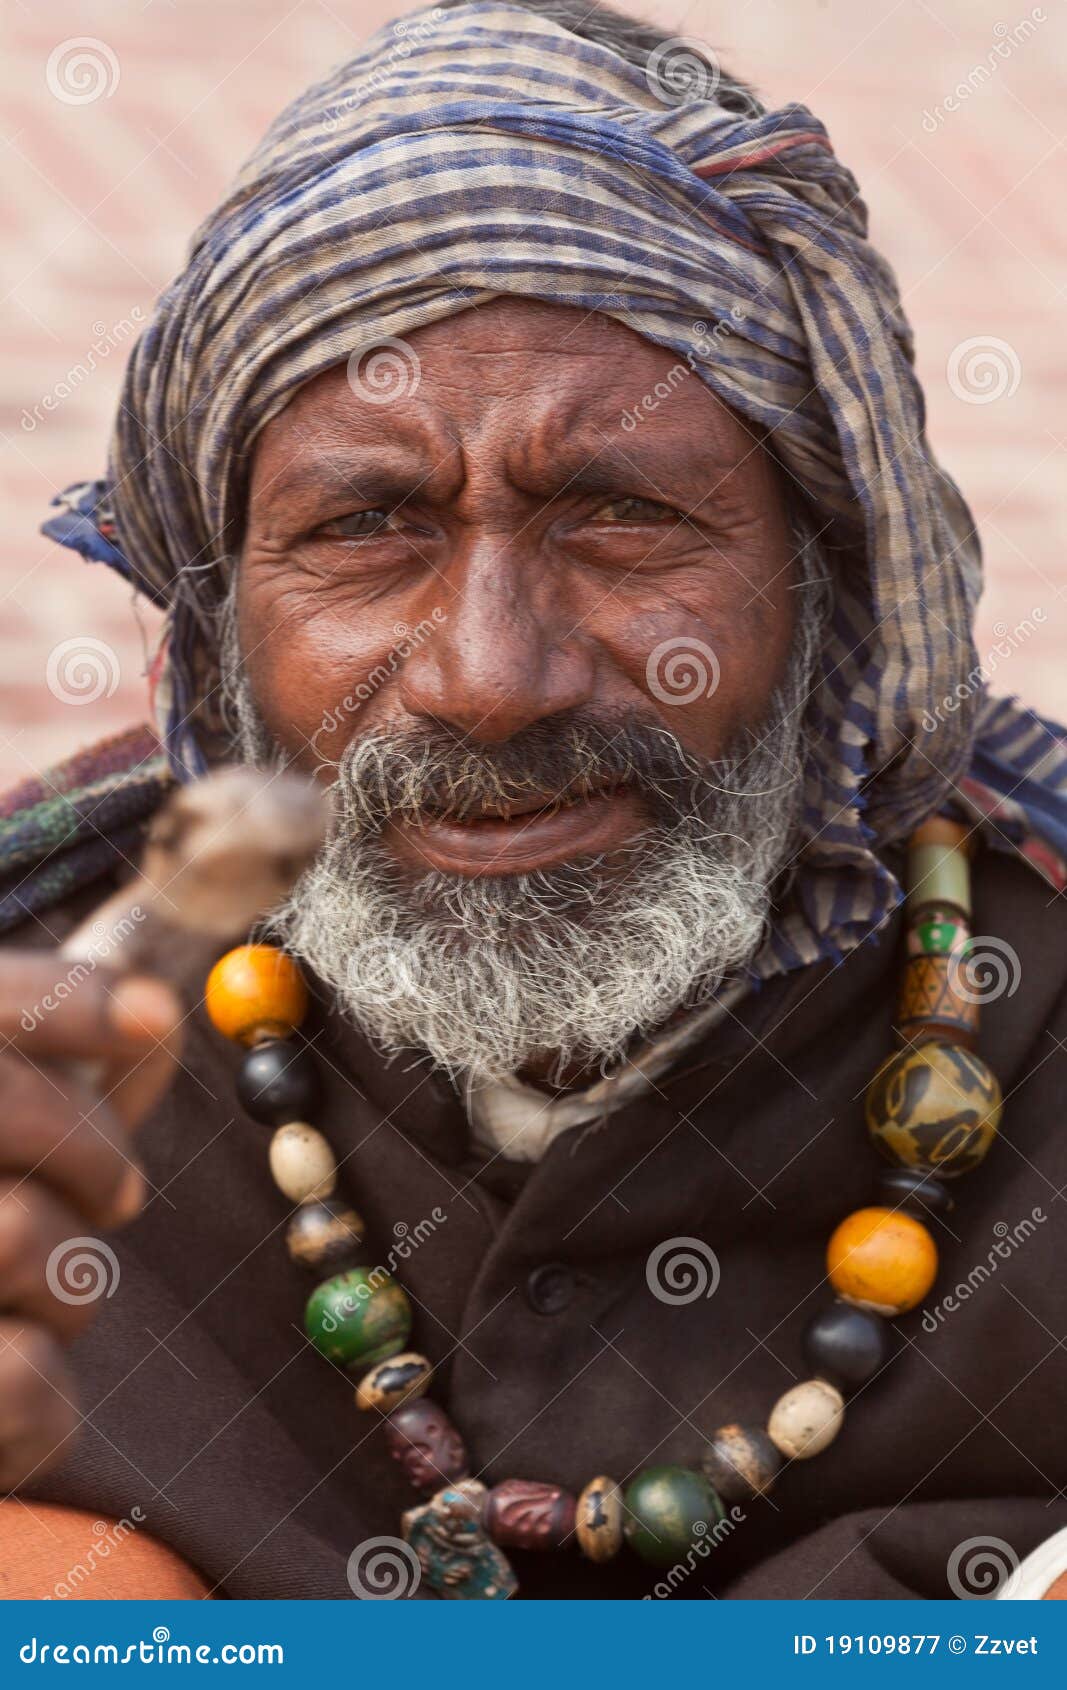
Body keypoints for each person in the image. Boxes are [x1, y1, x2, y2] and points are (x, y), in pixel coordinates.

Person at [1, 0, 1065, 1600]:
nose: (491, 678)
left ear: (823, 579)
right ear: (219, 631)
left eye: (621, 514)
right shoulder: (52, 1036)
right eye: (367, 525)